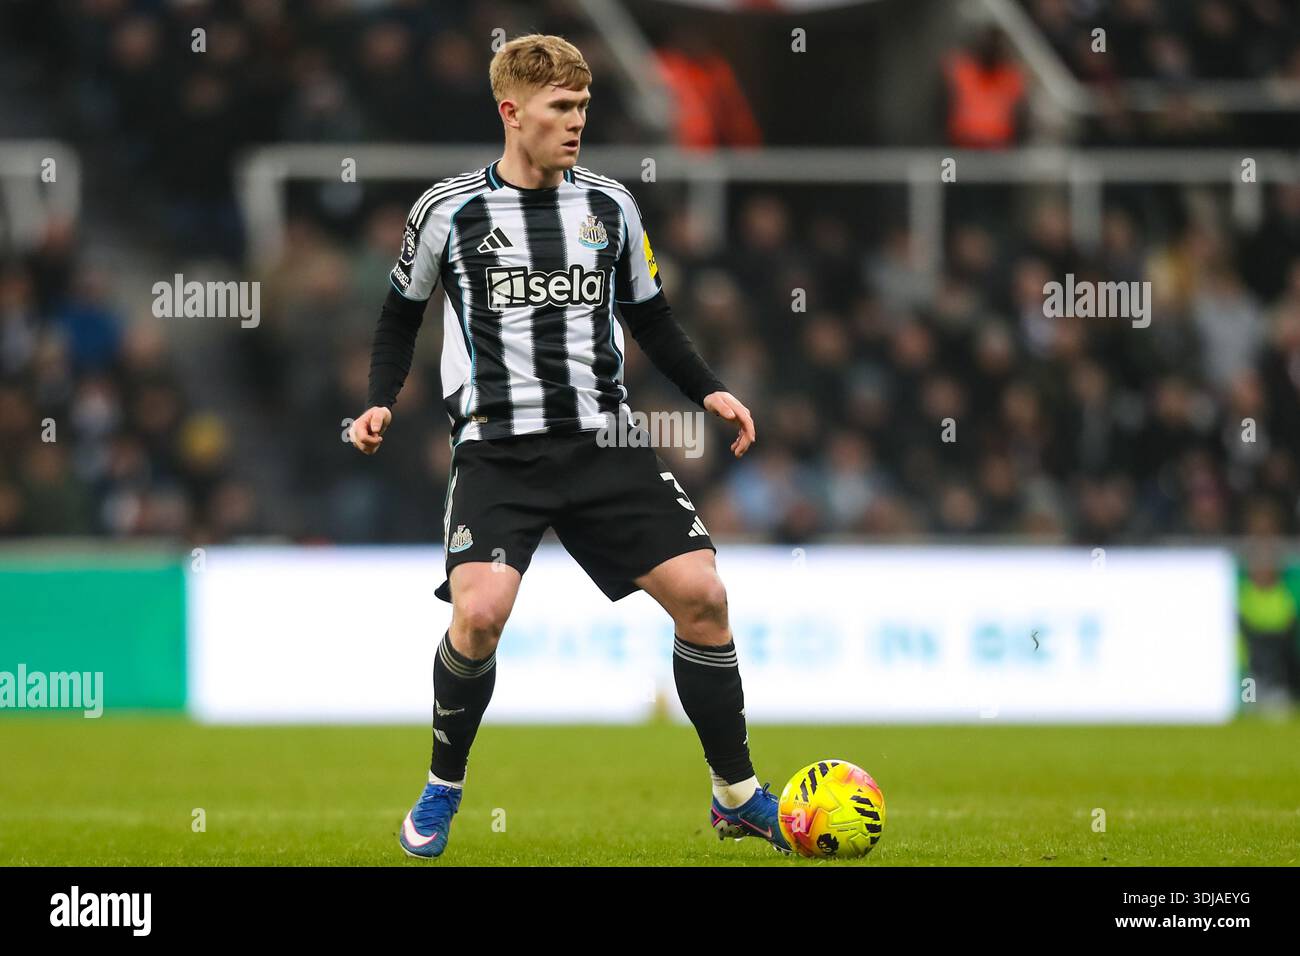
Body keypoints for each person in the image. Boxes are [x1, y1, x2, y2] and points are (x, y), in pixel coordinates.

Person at [348, 33, 787, 858]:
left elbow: (649, 313)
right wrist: (380, 400)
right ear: (512, 113)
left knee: (706, 598)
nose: (577, 122)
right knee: (479, 616)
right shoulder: (448, 211)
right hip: (498, 450)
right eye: (561, 108)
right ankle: (443, 786)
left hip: (604, 441)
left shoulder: (610, 207)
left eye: (583, 106)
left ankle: (735, 794)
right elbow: (399, 313)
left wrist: (709, 389)